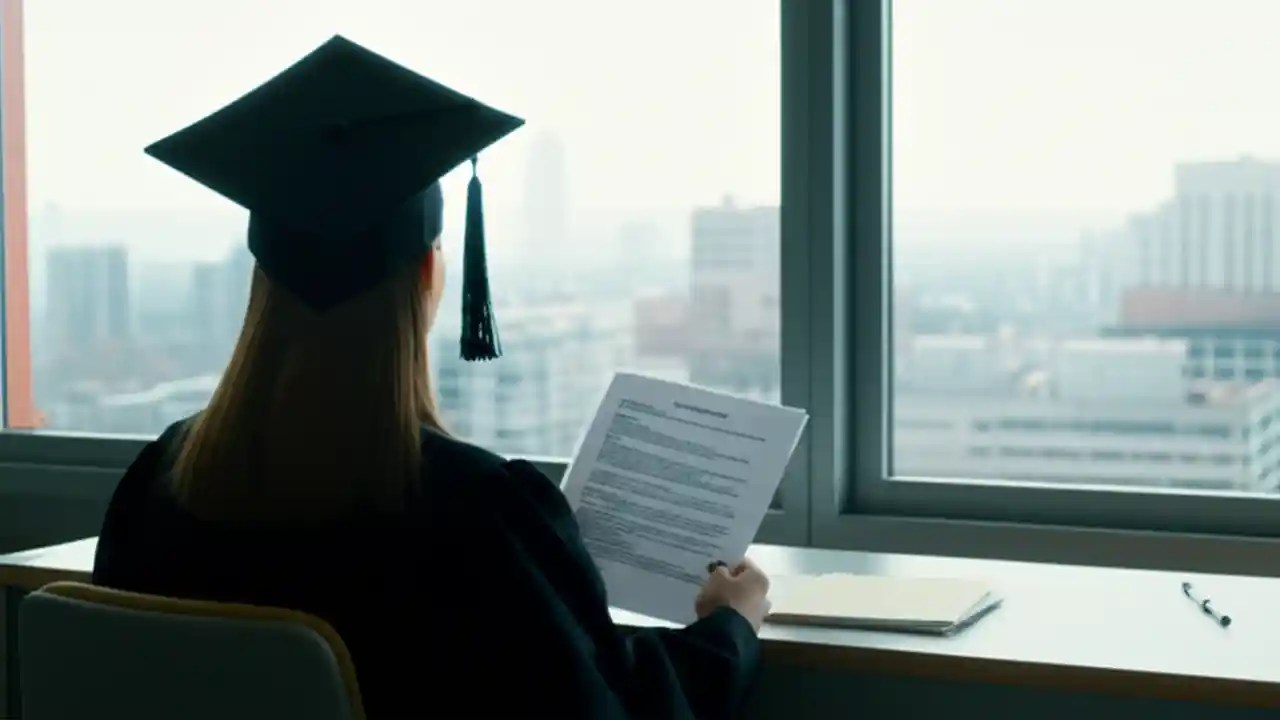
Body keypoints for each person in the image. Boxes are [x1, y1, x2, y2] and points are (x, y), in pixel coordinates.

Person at [91, 35, 771, 719]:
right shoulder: (476, 517)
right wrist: (729, 629)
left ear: (263, 279)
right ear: (426, 274)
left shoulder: (156, 489)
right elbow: (613, 708)